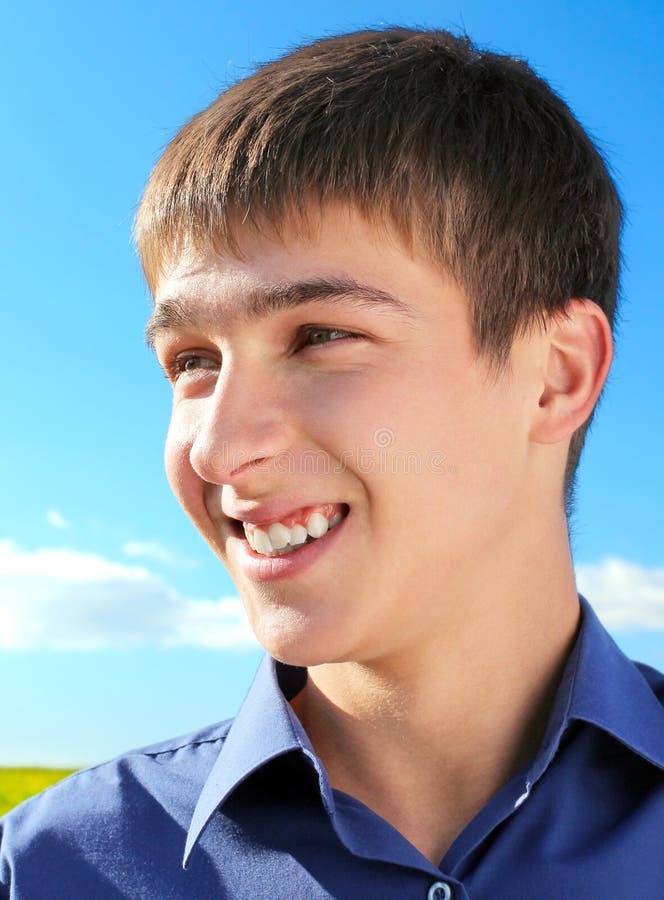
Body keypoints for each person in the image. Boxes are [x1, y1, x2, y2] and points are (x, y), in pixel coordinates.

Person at [2, 26, 662, 900]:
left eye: (321, 337)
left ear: (555, 375)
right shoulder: (49, 870)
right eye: (193, 360)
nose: (218, 446)